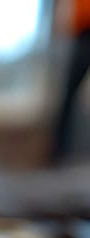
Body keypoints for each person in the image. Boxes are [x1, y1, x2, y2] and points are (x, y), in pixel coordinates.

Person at [53, 0, 90, 164]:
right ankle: (59, 150)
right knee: (68, 93)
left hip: (83, 31)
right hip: (84, 30)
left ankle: (59, 150)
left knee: (69, 93)